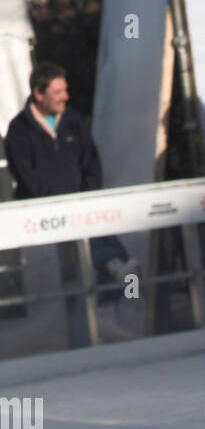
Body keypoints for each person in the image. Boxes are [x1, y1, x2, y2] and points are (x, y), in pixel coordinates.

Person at [4, 61, 136, 342]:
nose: (65, 97)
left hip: (82, 208)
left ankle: (107, 310)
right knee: (73, 271)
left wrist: (85, 198)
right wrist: (57, 206)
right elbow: (26, 176)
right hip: (46, 218)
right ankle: (109, 275)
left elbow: (91, 162)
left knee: (101, 243)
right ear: (39, 94)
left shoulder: (73, 119)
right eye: (58, 92)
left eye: (65, 90)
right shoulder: (18, 130)